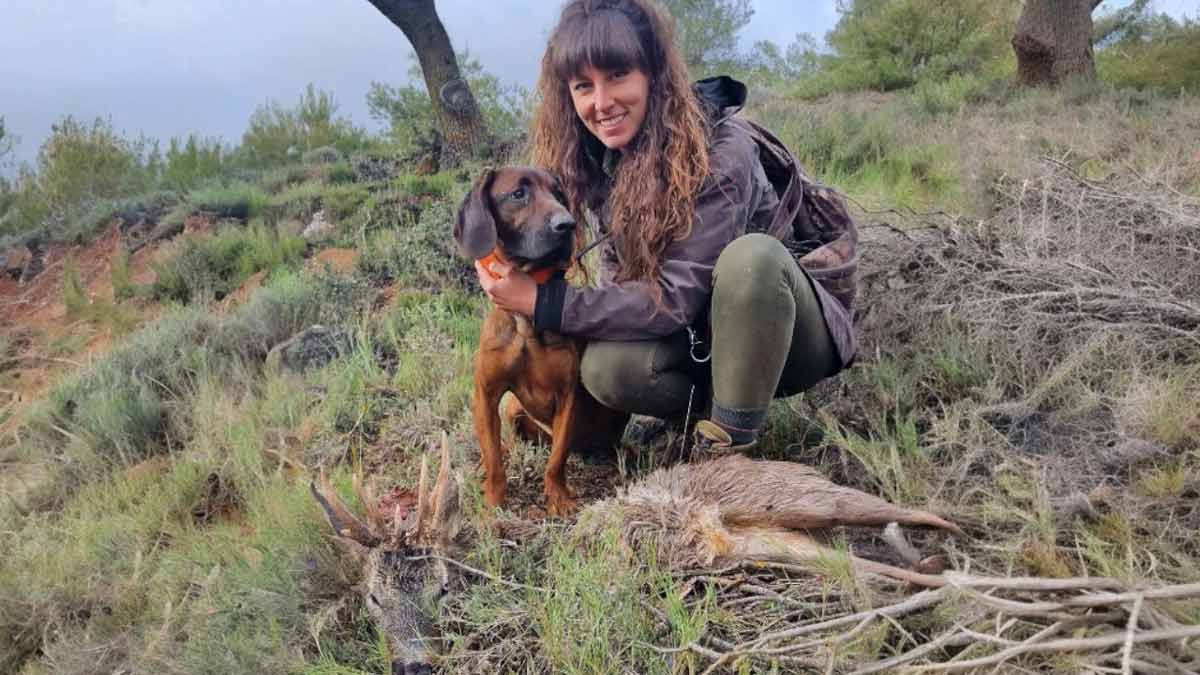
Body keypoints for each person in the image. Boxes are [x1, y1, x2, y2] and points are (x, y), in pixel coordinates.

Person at [476, 0, 857, 455]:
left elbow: (676, 297)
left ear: (653, 74)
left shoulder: (720, 147)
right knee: (606, 368)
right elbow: (624, 290)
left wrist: (543, 301)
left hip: (786, 335)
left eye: (618, 76)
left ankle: (727, 446)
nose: (602, 103)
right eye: (583, 86)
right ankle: (699, 414)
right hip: (700, 338)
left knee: (751, 260)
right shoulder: (605, 163)